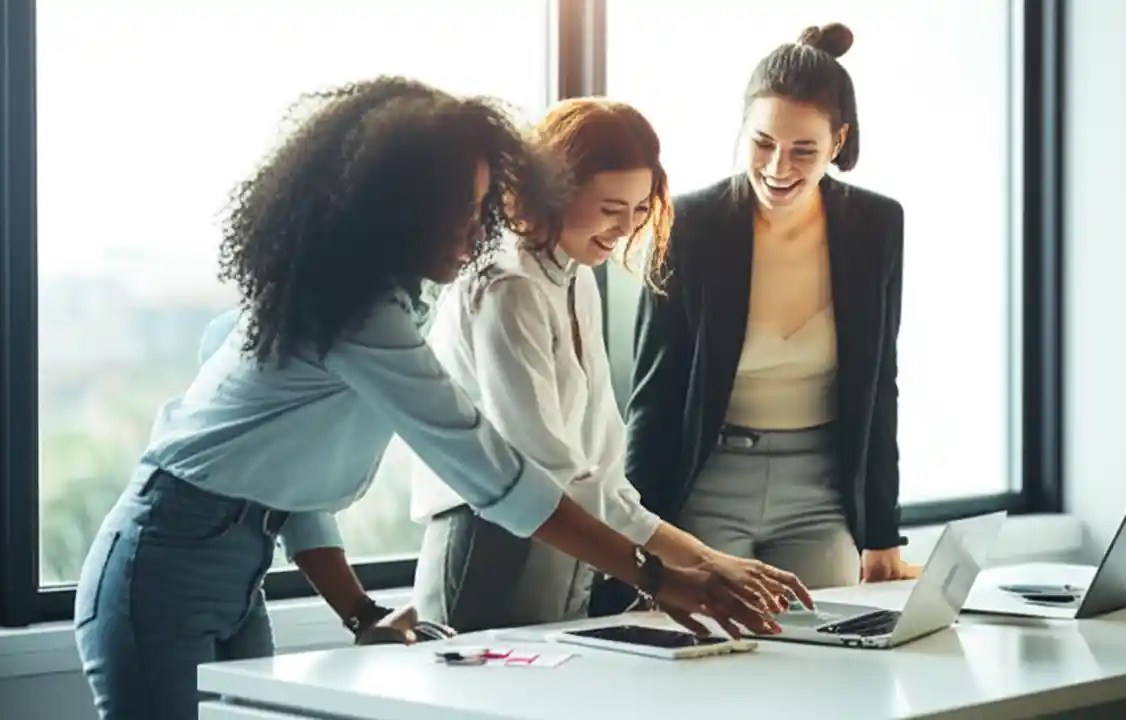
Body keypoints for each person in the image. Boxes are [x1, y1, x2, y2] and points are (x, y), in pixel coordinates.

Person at [72, 77, 796, 720]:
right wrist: (656, 574)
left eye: (480, 205)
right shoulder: (356, 313)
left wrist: (360, 612)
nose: (472, 228)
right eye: (454, 210)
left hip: (233, 562)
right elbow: (498, 475)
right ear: (392, 208)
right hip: (163, 558)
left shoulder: (373, 302)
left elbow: (288, 483)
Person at [404, 98, 811, 632]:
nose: (626, 227)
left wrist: (705, 560)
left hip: (568, 539)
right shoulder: (508, 287)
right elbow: (548, 473)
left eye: (640, 208)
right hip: (492, 543)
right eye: (610, 207)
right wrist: (667, 573)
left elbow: (601, 470)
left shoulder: (575, 277)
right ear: (553, 191)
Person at [625, 24, 919, 590]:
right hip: (709, 481)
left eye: (804, 150)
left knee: (827, 642)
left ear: (838, 142)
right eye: (763, 143)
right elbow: (653, 395)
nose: (779, 167)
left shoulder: (878, 225)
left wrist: (883, 532)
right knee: (716, 648)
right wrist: (638, 544)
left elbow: (880, 382)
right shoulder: (691, 226)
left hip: (820, 491)